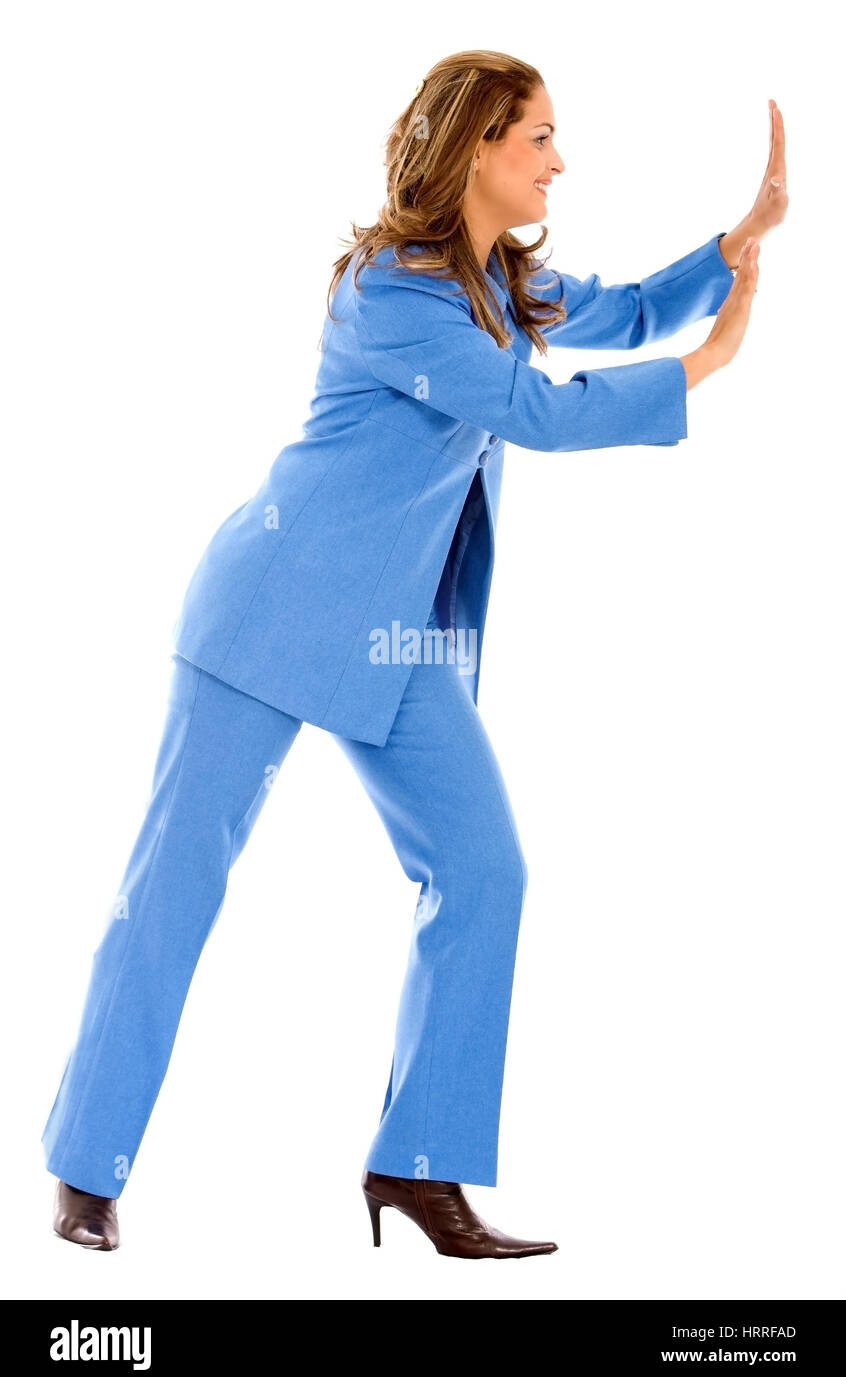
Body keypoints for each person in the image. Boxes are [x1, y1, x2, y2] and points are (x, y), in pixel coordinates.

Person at [43, 50, 787, 1258]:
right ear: (478, 148)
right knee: (174, 890)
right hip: (271, 616)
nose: (560, 159)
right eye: (541, 136)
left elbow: (633, 310)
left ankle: (417, 1165)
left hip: (399, 640)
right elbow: (536, 413)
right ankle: (84, 1168)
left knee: (485, 870)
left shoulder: (499, 280)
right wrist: (710, 367)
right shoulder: (392, 290)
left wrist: (737, 242)